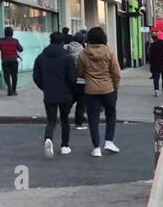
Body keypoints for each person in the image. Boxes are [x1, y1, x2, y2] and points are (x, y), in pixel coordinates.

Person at [77, 26, 122, 158]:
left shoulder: (83, 54)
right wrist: (115, 88)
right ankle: (109, 141)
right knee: (111, 115)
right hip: (108, 89)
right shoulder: (109, 52)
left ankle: (96, 148)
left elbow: (80, 72)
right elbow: (116, 73)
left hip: (91, 90)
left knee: (93, 119)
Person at [33, 32, 78, 158]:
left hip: (49, 93)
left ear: (50, 41)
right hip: (65, 93)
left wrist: (44, 87)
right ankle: (65, 146)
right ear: (62, 42)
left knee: (51, 121)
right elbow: (71, 78)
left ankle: (48, 139)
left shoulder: (41, 57)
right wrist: (72, 88)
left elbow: (36, 77)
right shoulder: (67, 57)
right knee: (65, 119)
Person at [65, 29, 88, 130]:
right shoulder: (83, 51)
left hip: (70, 80)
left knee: (71, 100)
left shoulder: (66, 48)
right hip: (81, 80)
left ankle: (64, 116)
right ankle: (79, 122)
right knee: (81, 102)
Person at [0, 25, 23, 96]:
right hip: (14, 60)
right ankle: (14, 90)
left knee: (6, 75)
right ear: (12, 33)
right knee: (14, 75)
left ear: (5, 33)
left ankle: (9, 87)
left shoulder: (1, 40)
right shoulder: (15, 41)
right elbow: (21, 49)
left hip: (5, 60)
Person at [148, 28, 163, 97]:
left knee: (156, 78)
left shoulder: (153, 45)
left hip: (155, 64)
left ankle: (156, 89)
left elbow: (150, 55)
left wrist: (151, 63)